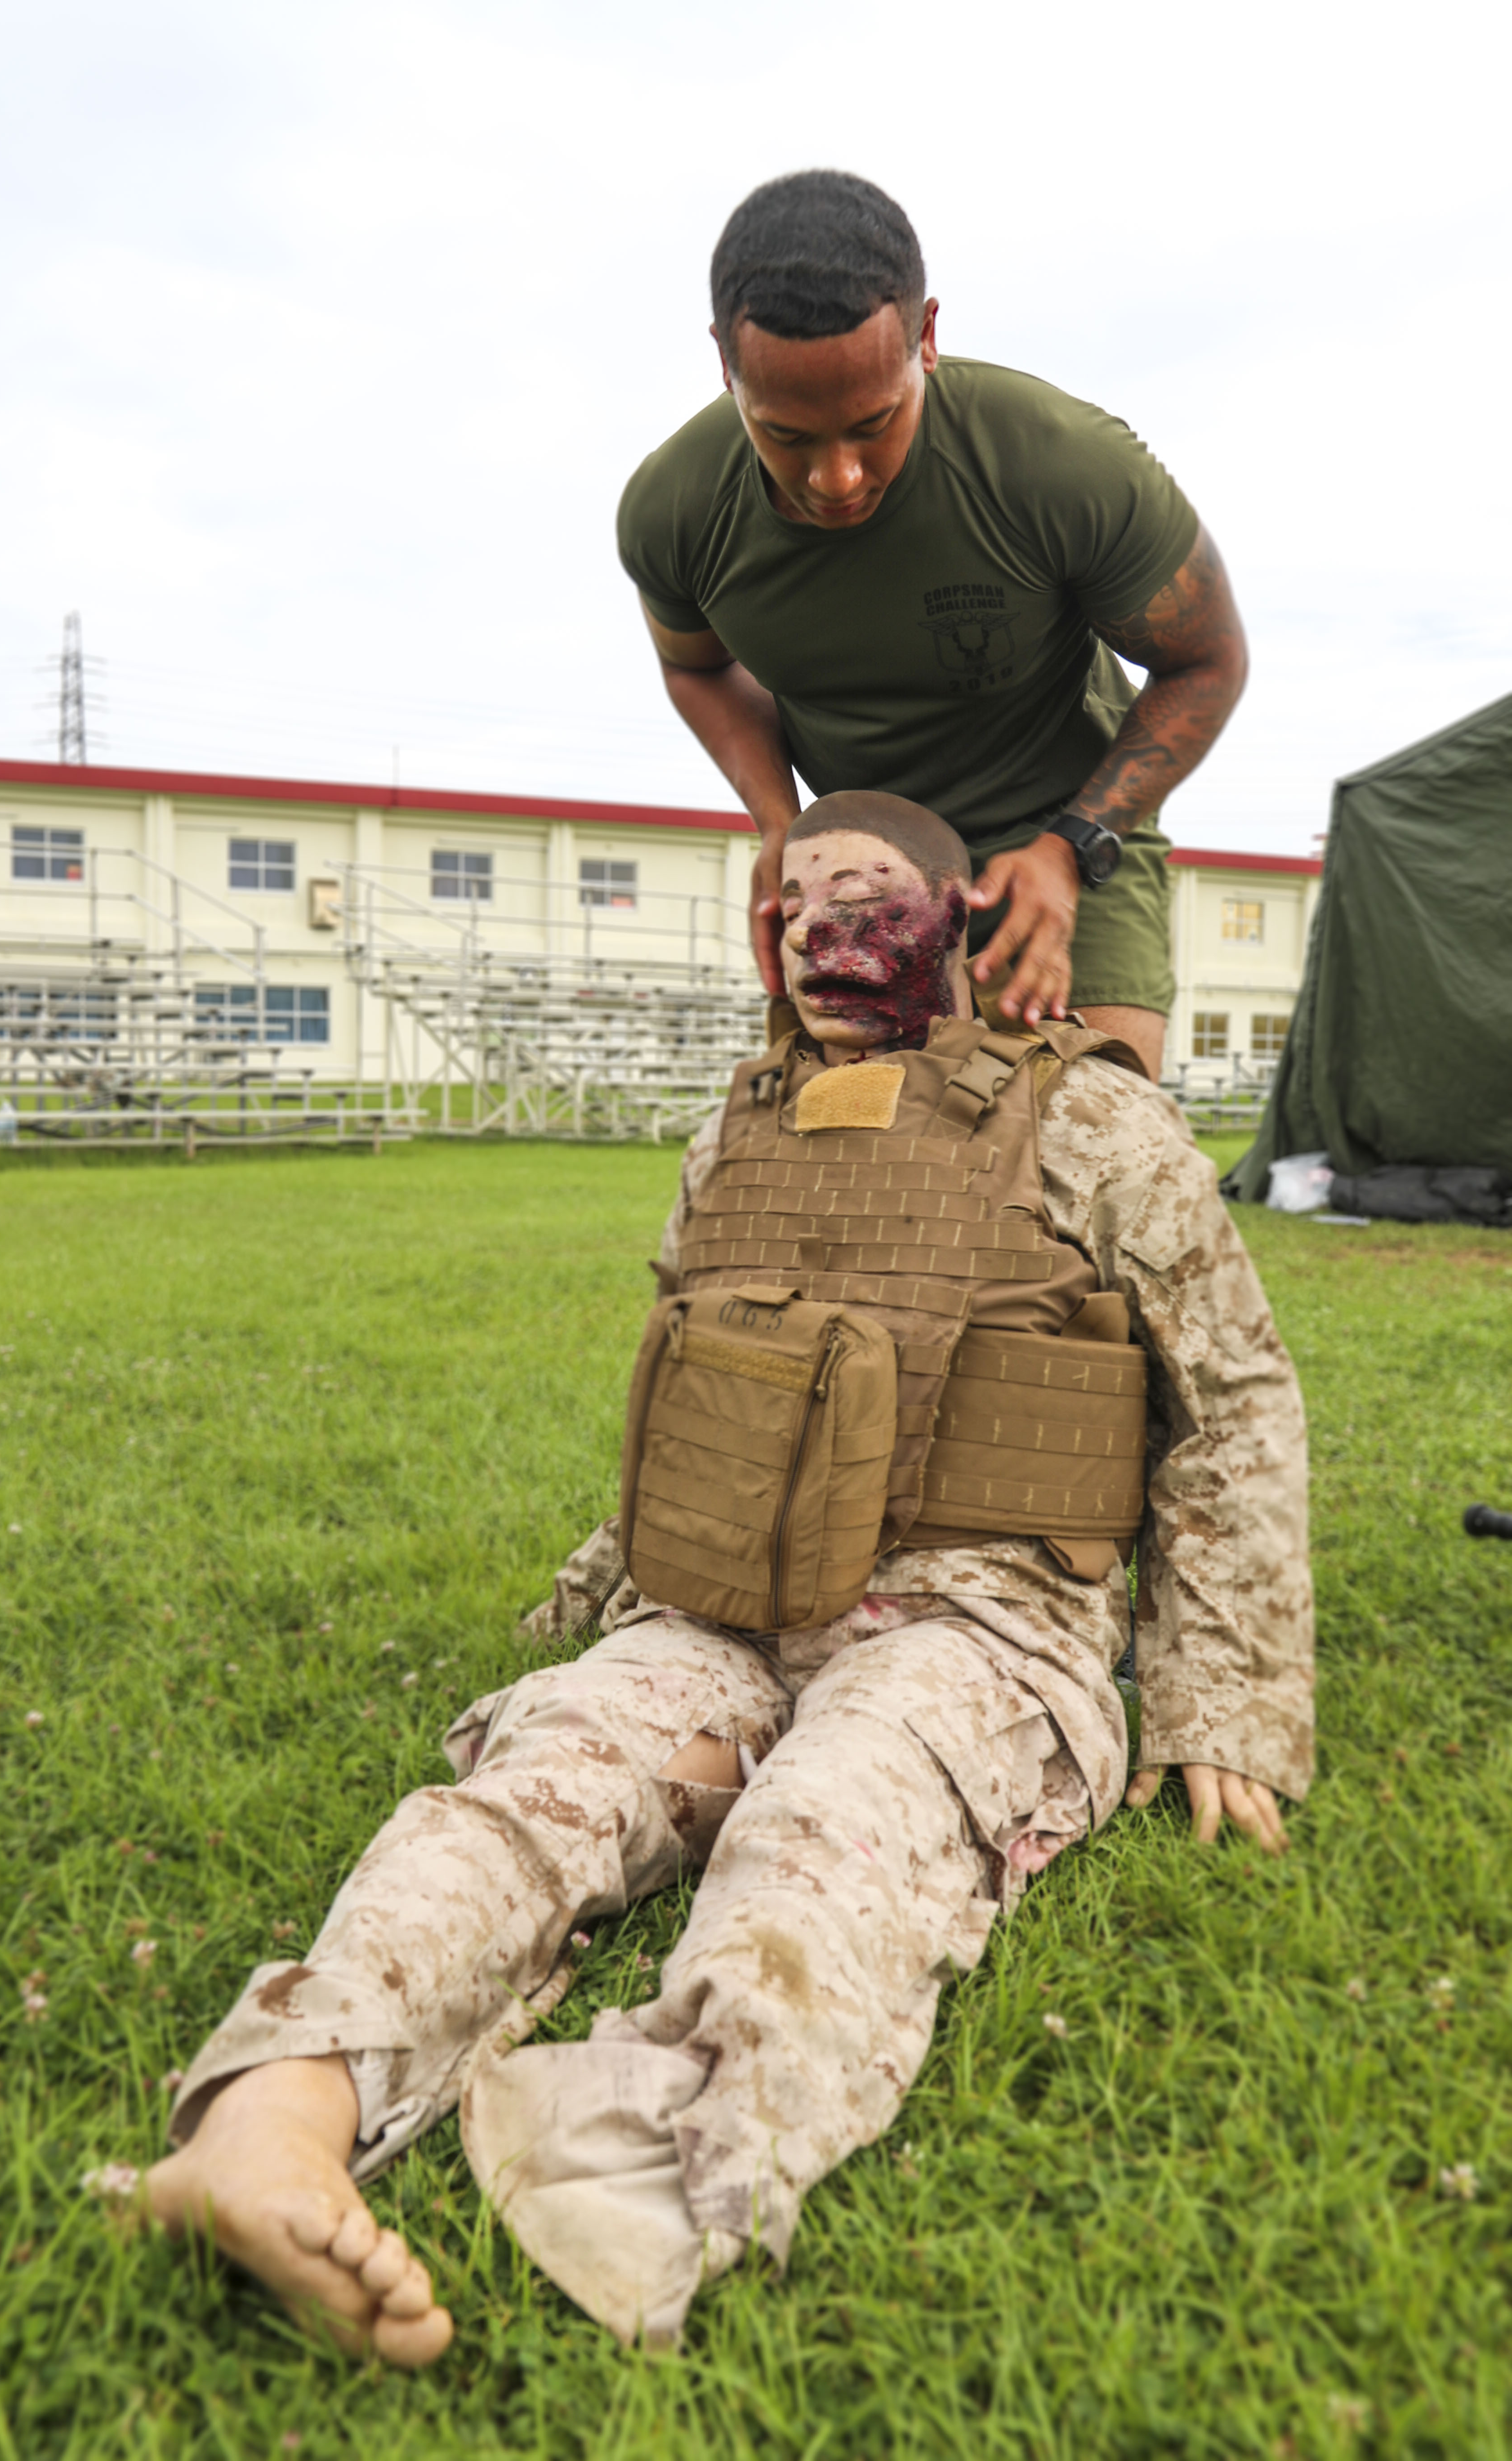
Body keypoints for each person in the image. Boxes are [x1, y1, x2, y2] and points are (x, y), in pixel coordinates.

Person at [142, 792, 1311, 2364]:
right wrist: (599, 1582)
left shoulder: (1093, 1122)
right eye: (795, 911)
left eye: (868, 905)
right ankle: (271, 2116)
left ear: (960, 920)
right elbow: (701, 1380)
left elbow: (1228, 1397)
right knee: (541, 1780)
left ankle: (652, 2170)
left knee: (833, 1820)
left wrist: (1222, 1699)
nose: (825, 940)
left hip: (977, 1616)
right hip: (723, 1598)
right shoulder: (735, 1129)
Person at [617, 170, 1252, 1083]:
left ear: (927, 336)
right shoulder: (674, 510)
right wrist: (777, 824)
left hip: (1064, 846)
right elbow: (697, 668)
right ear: (726, 361)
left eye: (875, 424)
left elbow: (1207, 661)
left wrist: (1075, 848)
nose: (837, 478)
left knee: (1092, 1162)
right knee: (859, 1192)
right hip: (860, 880)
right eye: (787, 435)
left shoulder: (1057, 464)